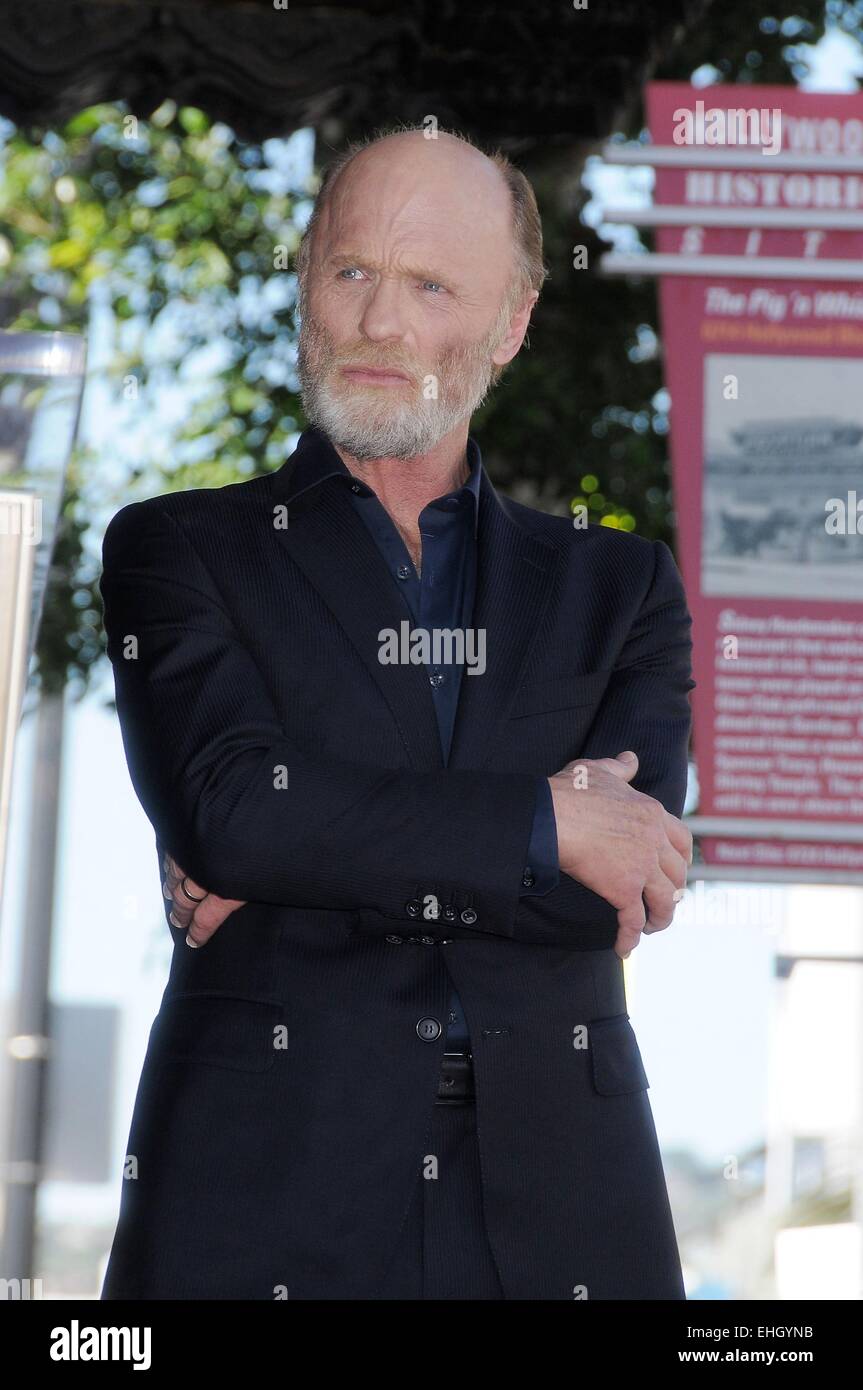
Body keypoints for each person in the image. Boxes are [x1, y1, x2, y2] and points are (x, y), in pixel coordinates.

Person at [99, 124, 695, 1301]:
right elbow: (232, 809)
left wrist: (307, 841)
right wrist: (540, 823)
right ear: (307, 282)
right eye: (351, 270)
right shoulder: (175, 547)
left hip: (566, 1212)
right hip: (255, 1192)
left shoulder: (619, 587)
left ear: (511, 324)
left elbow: (611, 878)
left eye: (429, 284)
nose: (379, 322)